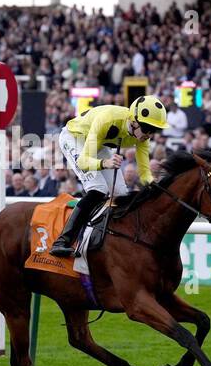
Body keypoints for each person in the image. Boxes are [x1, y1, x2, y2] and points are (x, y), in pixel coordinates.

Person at [49, 95, 166, 258]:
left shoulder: (142, 138)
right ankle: (63, 241)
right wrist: (105, 163)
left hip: (99, 144)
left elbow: (145, 174)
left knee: (121, 194)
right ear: (134, 121)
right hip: (75, 137)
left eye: (154, 130)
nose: (149, 135)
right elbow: (83, 161)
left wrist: (159, 189)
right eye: (147, 129)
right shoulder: (107, 120)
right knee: (99, 189)